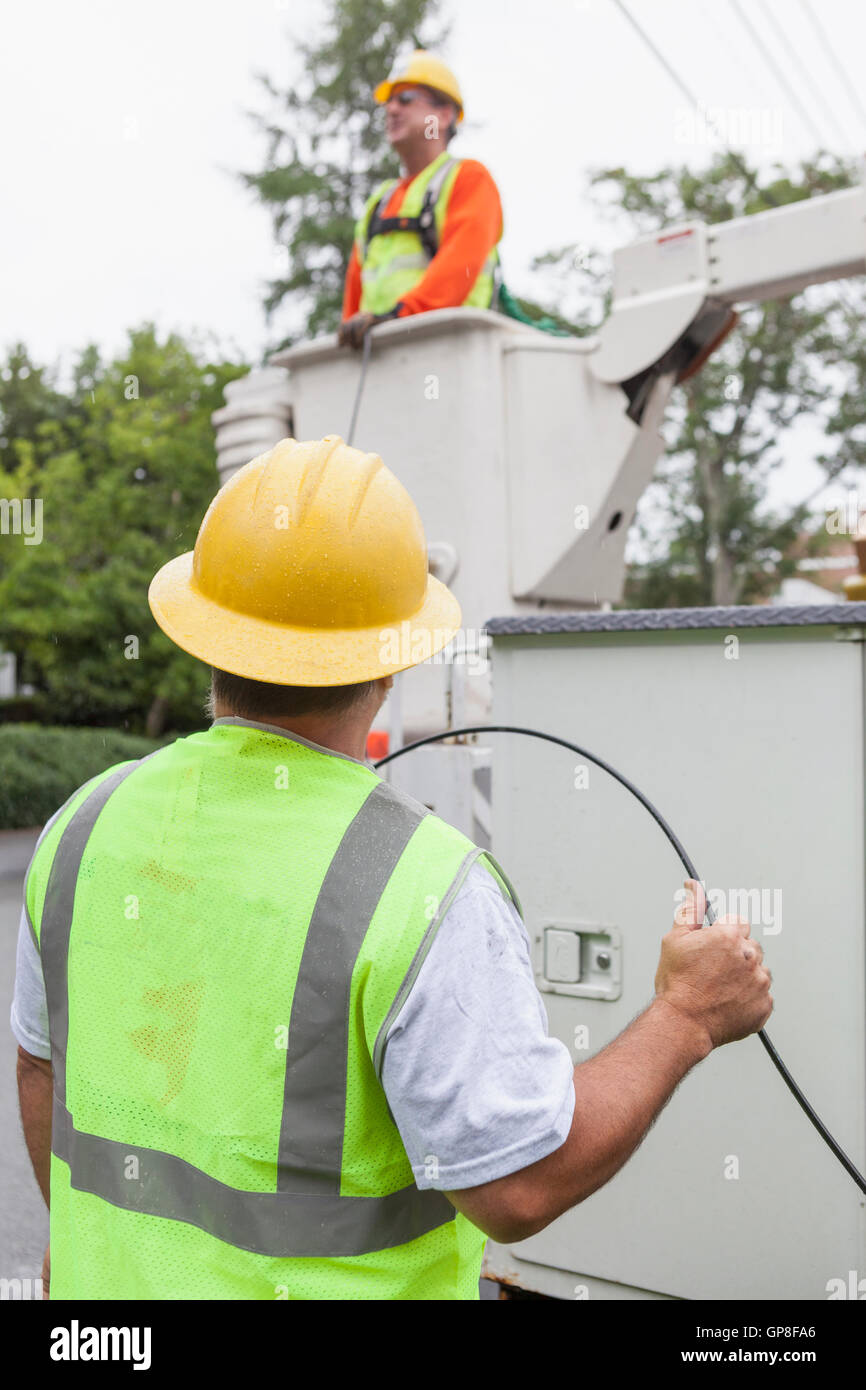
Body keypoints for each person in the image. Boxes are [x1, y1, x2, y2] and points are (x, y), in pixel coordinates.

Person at [12, 434, 772, 1300]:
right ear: (393, 656)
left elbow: (42, 1067)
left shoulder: (86, 822)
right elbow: (518, 1185)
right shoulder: (420, 886)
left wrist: (78, 1252)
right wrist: (687, 1016)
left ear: (203, 628)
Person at [338, 51, 504, 349]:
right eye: (389, 102)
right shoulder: (380, 200)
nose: (391, 109)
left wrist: (397, 317)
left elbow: (459, 269)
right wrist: (350, 336)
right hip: (377, 358)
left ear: (443, 115)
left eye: (406, 99)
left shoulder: (468, 179)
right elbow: (355, 290)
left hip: (451, 350)